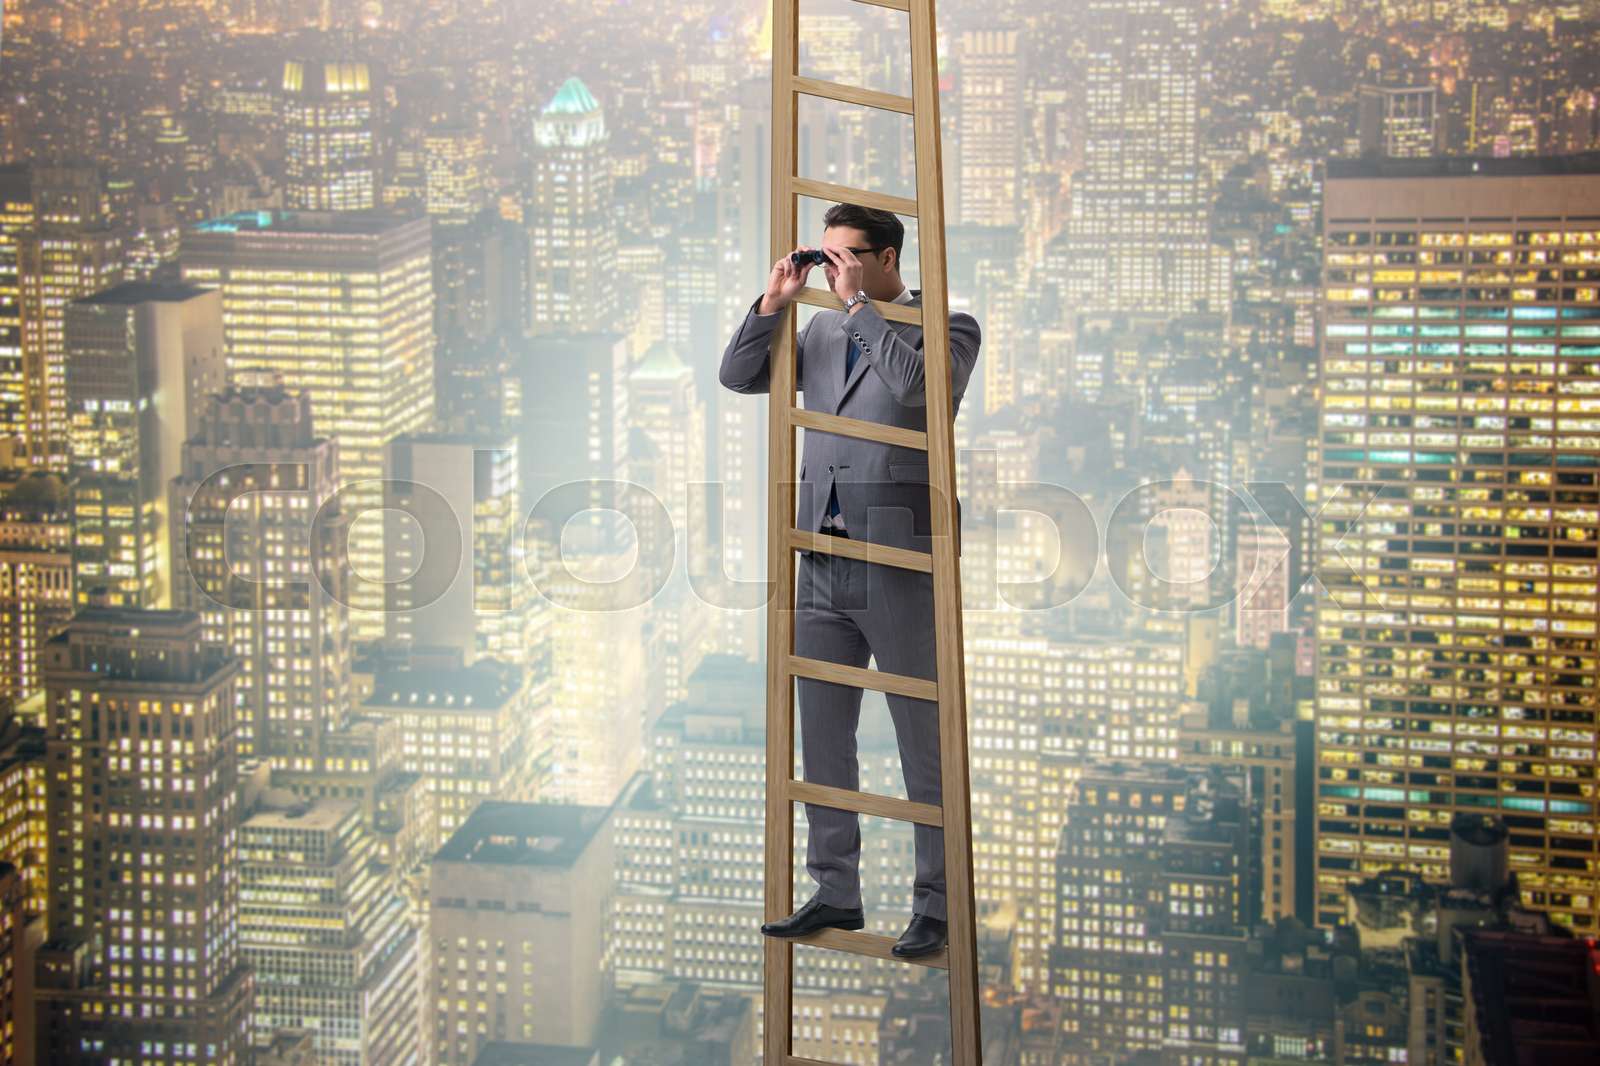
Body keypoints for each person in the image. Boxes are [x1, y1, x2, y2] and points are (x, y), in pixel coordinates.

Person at [717, 202, 980, 958]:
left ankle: (934, 905)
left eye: (843, 257)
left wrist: (860, 307)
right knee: (823, 737)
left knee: (920, 742)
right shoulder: (823, 328)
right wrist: (774, 304)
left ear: (886, 259)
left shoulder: (949, 328)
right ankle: (837, 891)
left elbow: (918, 393)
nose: (829, 270)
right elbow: (739, 376)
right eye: (821, 255)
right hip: (821, 556)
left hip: (902, 562)